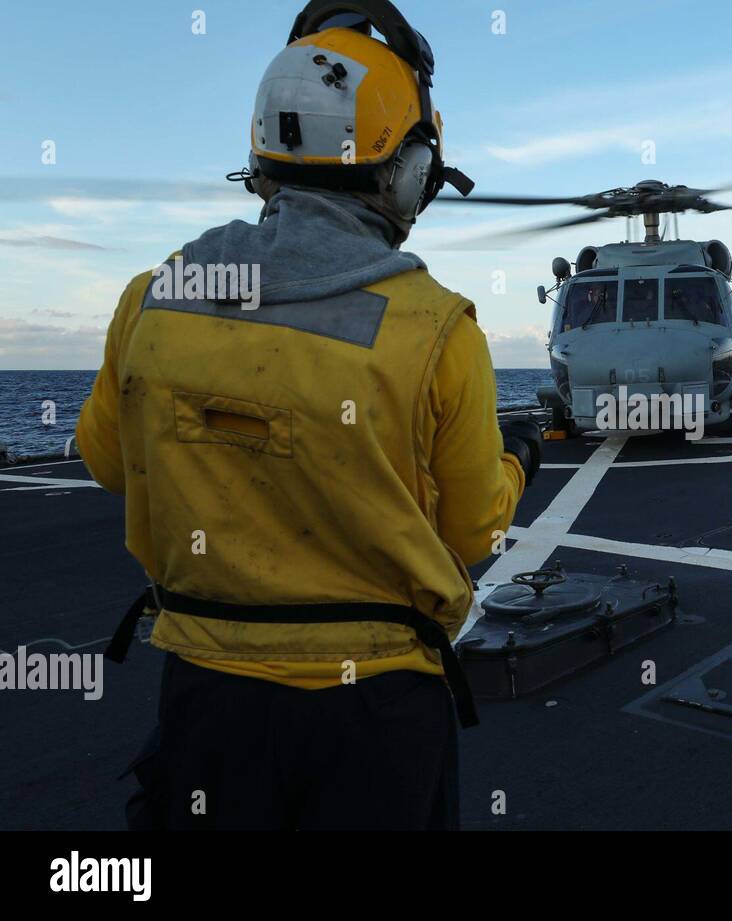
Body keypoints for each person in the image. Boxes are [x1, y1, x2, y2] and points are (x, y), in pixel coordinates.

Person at [76, 1, 537, 830]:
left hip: (205, 700)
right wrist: (518, 465)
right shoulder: (439, 330)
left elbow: (107, 460)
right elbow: (474, 532)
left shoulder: (152, 298)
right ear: (406, 172)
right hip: (377, 711)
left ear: (262, 163)